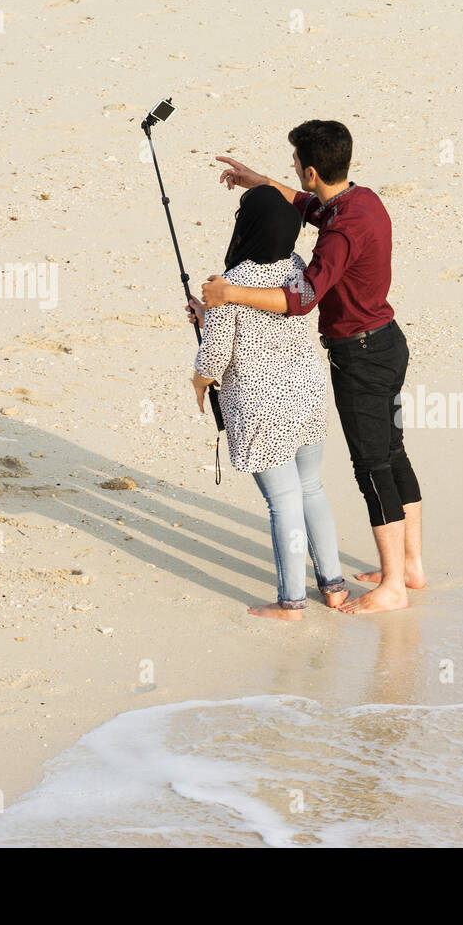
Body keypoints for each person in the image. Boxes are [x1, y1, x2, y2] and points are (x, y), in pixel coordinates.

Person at [200, 120, 424, 616]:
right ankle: (410, 565)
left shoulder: (340, 231)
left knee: (373, 466)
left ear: (312, 168)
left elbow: (302, 300)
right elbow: (308, 205)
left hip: (361, 354)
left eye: (295, 165)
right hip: (387, 341)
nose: (294, 173)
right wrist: (260, 181)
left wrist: (226, 294)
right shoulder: (359, 201)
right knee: (393, 452)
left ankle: (392, 587)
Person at [188, 183, 349, 620]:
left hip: (264, 407)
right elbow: (273, 317)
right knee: (311, 488)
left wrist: (198, 381)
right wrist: (207, 316)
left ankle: (291, 601)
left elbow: (217, 355)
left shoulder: (228, 285)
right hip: (308, 394)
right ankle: (334, 586)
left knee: (283, 501)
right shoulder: (296, 266)